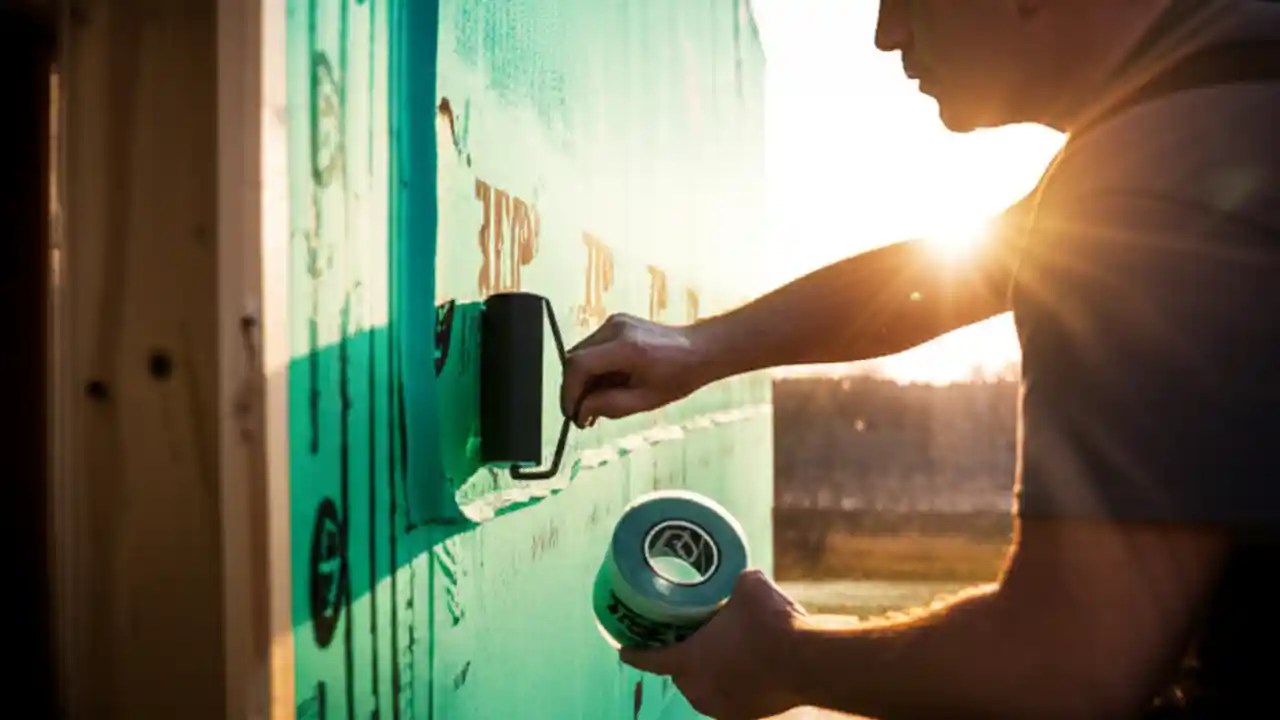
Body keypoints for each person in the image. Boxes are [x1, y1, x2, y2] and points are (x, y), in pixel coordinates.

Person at [560, 1, 1280, 718]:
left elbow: (1062, 663)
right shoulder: (1215, 95)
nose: (886, 33)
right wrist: (703, 347)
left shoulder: (1156, 177)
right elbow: (945, 278)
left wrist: (779, 656)